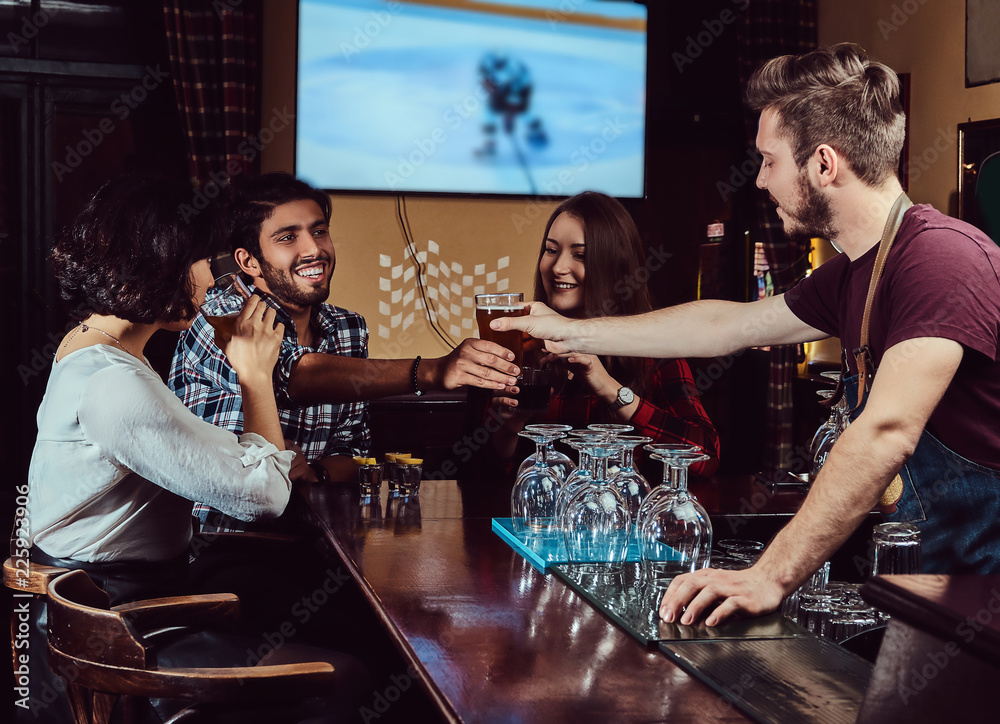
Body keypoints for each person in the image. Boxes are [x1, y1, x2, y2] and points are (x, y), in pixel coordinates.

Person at [492, 44, 1000, 626]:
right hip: (922, 594)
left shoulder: (939, 259)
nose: (759, 180)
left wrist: (770, 575)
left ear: (824, 164)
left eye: (769, 160)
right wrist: (570, 331)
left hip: (982, 608)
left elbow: (885, 433)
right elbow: (726, 324)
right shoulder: (861, 268)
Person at [22, 173, 365, 723]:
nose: (217, 280)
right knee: (345, 677)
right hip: (117, 631)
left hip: (138, 609)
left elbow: (235, 467)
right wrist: (256, 376)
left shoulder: (98, 350)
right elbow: (263, 496)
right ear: (162, 260)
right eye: (208, 262)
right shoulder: (114, 382)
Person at [169, 173, 520, 532]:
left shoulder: (348, 329)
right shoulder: (221, 316)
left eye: (319, 231)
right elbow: (293, 375)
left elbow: (356, 455)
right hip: (223, 545)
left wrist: (317, 472)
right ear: (249, 262)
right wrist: (431, 371)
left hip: (315, 539)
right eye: (288, 237)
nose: (314, 249)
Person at [484, 191, 719, 477]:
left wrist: (608, 387)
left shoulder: (655, 354)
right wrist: (508, 430)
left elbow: (704, 458)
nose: (558, 267)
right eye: (551, 250)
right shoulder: (519, 349)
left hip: (625, 519)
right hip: (538, 521)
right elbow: (479, 480)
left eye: (580, 255)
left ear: (616, 268)